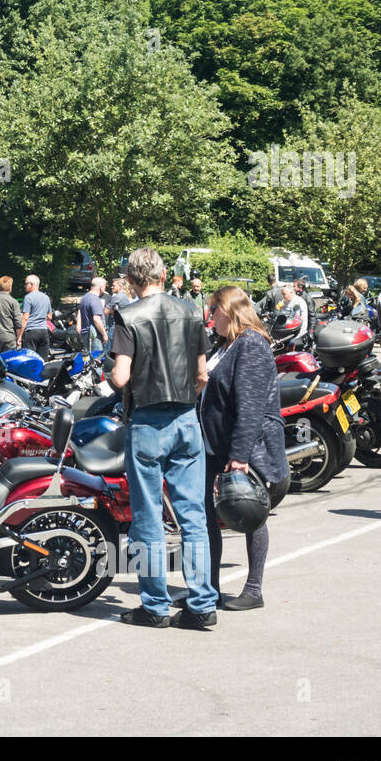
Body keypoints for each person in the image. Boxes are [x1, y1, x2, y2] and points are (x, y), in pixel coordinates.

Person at [111, 247, 215, 629]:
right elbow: (203, 374)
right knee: (193, 513)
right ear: (162, 273)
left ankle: (154, 606)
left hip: (148, 422)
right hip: (187, 418)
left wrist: (112, 376)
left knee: (148, 518)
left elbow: (121, 378)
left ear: (132, 280)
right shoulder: (190, 310)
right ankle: (203, 603)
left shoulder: (128, 315)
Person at [199, 286, 288, 610]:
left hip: (245, 449)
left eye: (214, 311)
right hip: (216, 445)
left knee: (251, 513)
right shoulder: (225, 345)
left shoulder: (250, 344)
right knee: (208, 516)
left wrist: (239, 457)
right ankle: (208, 588)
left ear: (230, 310)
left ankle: (253, 589)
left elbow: (249, 407)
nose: (211, 318)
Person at [18, 274, 52, 360]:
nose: (24, 286)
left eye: (26, 284)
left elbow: (25, 318)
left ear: (32, 285)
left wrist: (20, 335)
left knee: (30, 361)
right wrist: (40, 316)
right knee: (42, 361)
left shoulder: (28, 298)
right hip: (44, 332)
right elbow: (49, 316)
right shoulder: (46, 297)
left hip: (31, 333)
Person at [78, 276, 108, 353]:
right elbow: (96, 319)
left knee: (90, 359)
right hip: (95, 336)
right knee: (97, 360)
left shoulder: (85, 297)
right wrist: (104, 334)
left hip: (86, 333)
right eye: (105, 286)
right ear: (101, 287)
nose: (105, 289)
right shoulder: (95, 299)